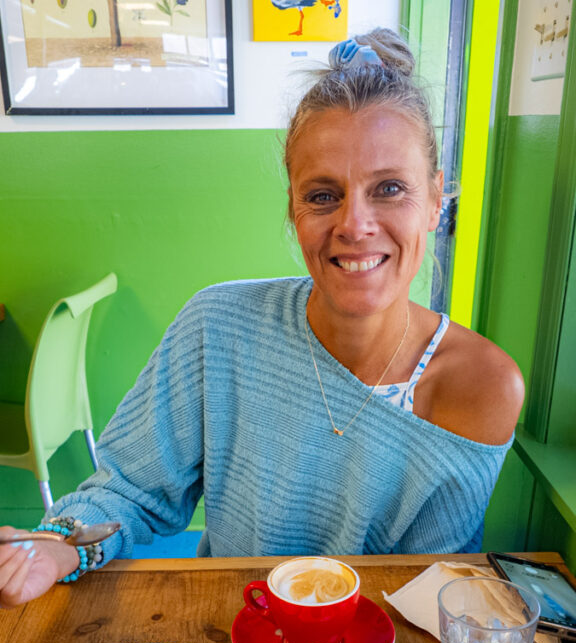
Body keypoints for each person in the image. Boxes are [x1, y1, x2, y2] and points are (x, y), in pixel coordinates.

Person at [0, 27, 524, 610]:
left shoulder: (483, 386)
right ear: (294, 210)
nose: (354, 224)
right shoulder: (217, 327)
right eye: (323, 195)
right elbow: (130, 489)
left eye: (390, 188)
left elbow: (432, 588)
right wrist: (54, 544)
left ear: (435, 200)